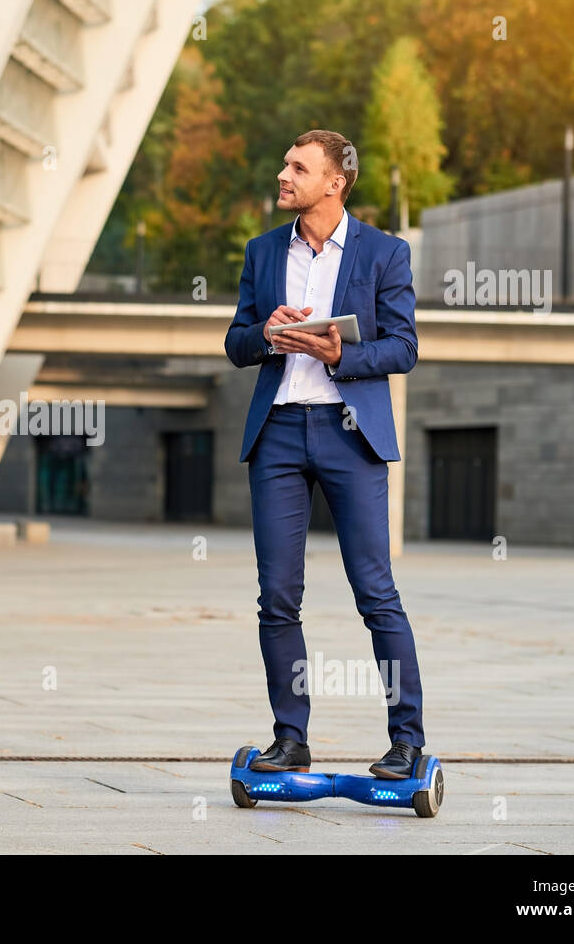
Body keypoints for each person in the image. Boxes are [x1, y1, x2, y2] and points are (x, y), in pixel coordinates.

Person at [223, 130, 426, 780]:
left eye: (298, 167)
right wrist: (268, 333)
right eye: (285, 162)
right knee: (277, 597)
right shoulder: (262, 253)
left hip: (349, 431)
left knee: (376, 592)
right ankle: (290, 737)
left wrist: (345, 355)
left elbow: (403, 347)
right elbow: (235, 342)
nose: (283, 174)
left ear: (335, 182)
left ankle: (407, 740)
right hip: (279, 432)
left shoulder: (384, 253)